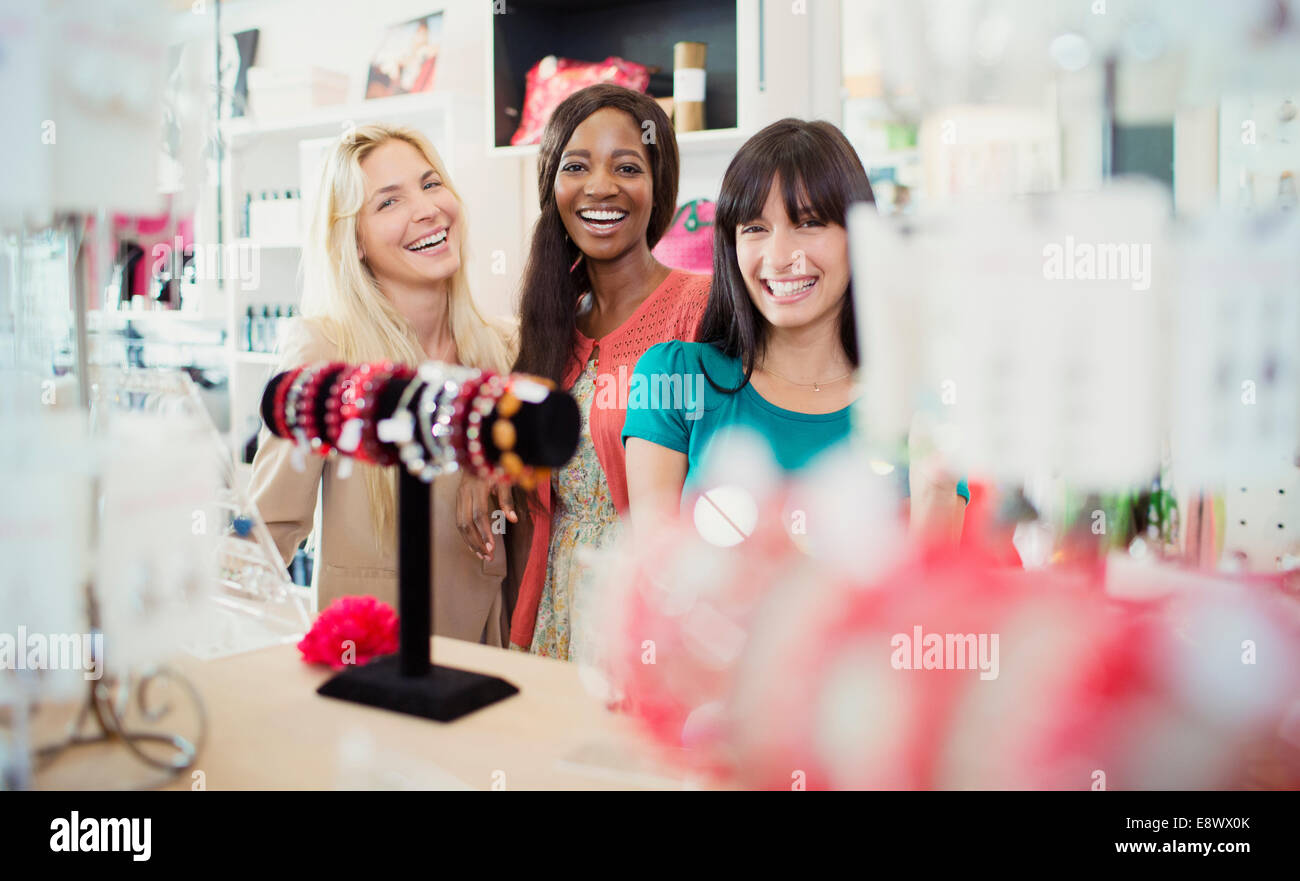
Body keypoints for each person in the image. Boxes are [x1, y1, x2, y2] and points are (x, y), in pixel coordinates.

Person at [622, 118, 968, 541]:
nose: (781, 256)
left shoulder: (916, 399)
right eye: (754, 228)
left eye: (809, 223)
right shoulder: (672, 378)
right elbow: (657, 583)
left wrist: (934, 484)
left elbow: (935, 597)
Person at [248, 123, 521, 646]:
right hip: (375, 669)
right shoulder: (324, 353)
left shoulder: (503, 350)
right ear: (356, 240)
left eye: (431, 183)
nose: (426, 209)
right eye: (389, 202)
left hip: (490, 665)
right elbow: (267, 532)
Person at [481, 84, 710, 659]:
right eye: (576, 166)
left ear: (659, 187)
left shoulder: (702, 310)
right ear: (552, 187)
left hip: (656, 621)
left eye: (627, 166)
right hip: (554, 612)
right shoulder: (544, 331)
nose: (600, 186)